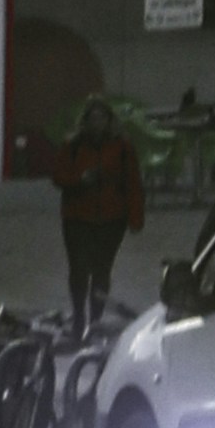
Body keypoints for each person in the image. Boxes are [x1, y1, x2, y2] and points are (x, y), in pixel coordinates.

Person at [53, 94, 147, 321]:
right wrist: (79, 179)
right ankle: (78, 315)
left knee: (102, 270)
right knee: (79, 269)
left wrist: (135, 218)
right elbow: (58, 176)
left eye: (101, 118)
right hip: (78, 217)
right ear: (85, 121)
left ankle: (95, 318)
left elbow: (132, 184)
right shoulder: (72, 146)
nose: (97, 123)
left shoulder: (122, 148)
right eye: (93, 118)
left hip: (112, 219)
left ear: (109, 120)